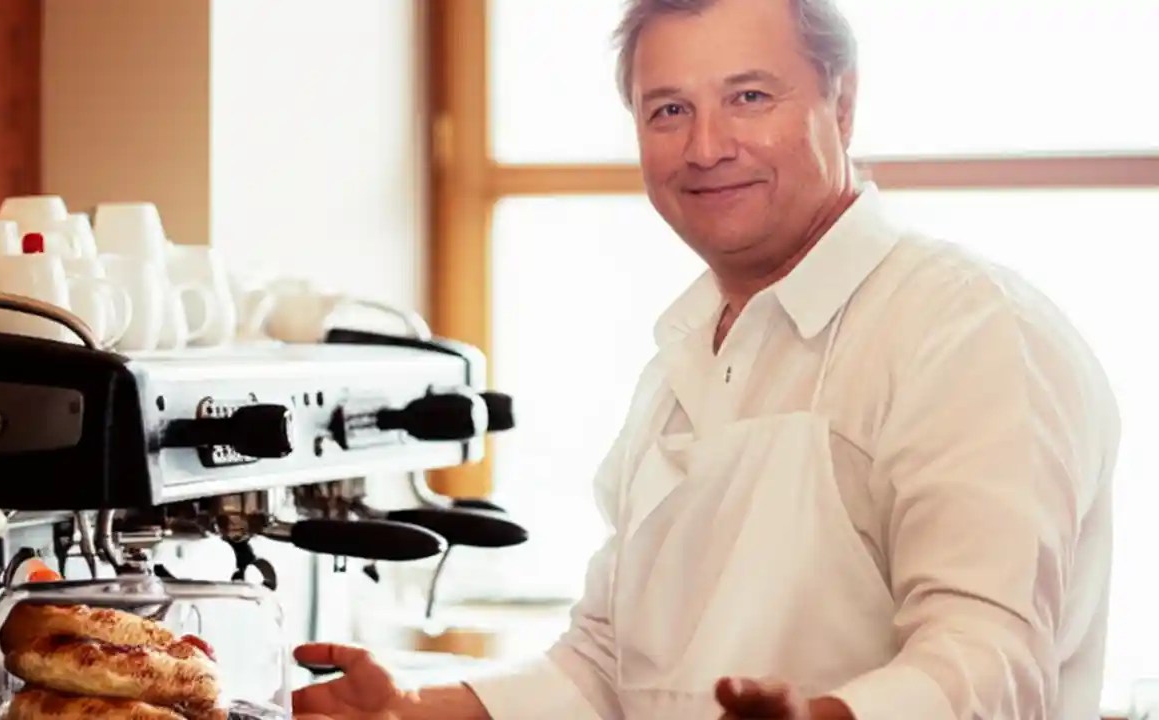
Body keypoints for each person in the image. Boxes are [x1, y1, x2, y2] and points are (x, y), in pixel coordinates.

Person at [291, 0, 1120, 717]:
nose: (706, 147)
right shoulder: (684, 358)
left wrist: (825, 716)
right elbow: (609, 670)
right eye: (667, 111)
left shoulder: (967, 328)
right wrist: (413, 708)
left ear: (844, 103)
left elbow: (992, 661)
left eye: (749, 97)